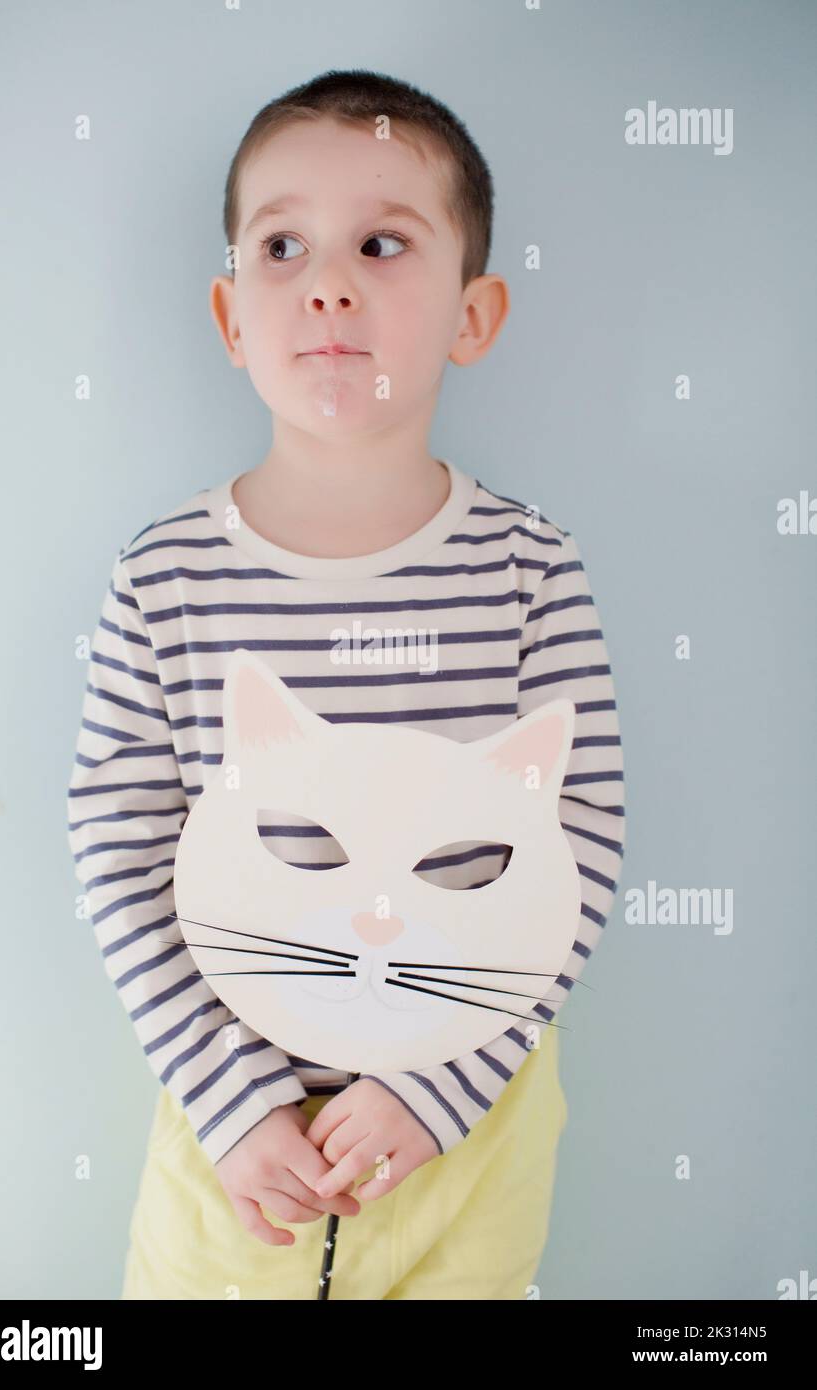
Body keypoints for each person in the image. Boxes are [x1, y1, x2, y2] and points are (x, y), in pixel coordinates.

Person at [65, 68, 626, 1300]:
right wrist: (229, 1098)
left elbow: (574, 837)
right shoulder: (165, 578)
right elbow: (117, 846)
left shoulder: (530, 566)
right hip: (231, 1128)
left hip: (467, 1117)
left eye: (380, 242)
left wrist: (437, 1089)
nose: (326, 281)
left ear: (471, 318)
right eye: (281, 245)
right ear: (228, 317)